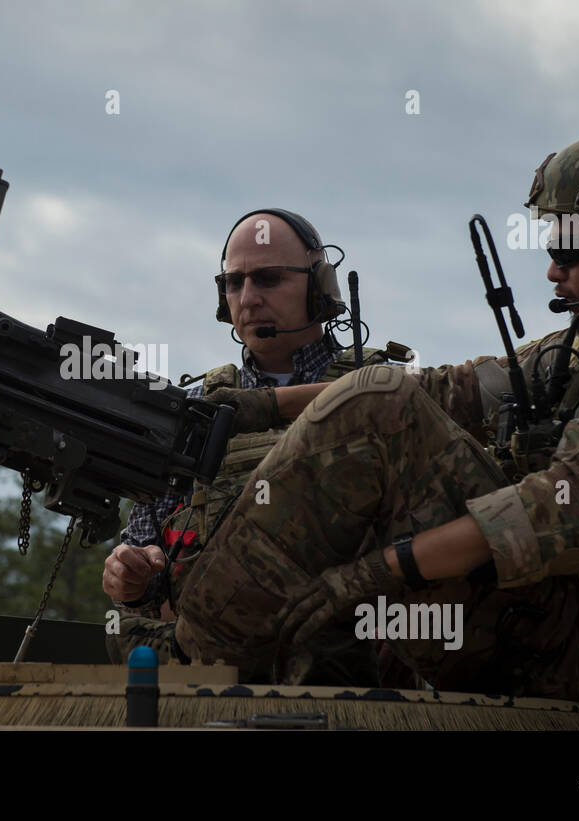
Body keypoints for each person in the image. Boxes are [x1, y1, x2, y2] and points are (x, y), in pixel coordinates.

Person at [172, 124, 579, 725]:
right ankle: (211, 647)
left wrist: (383, 569)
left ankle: (194, 654)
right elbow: (444, 389)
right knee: (378, 396)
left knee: (377, 405)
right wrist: (258, 409)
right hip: (548, 625)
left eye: (568, 251)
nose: (553, 270)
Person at [102, 209, 410, 684]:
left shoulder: (380, 393)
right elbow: (144, 549)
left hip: (356, 686)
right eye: (233, 282)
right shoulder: (194, 409)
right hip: (219, 682)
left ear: (316, 287)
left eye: (268, 279)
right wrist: (134, 573)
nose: (248, 298)